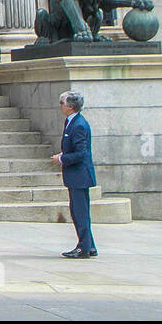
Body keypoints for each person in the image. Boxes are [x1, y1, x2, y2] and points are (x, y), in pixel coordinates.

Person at [52, 90, 97, 259]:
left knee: (80, 212)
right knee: (78, 211)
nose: (60, 106)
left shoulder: (78, 125)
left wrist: (62, 158)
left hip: (80, 176)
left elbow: (82, 153)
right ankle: (89, 244)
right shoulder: (71, 121)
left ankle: (83, 248)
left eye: (62, 103)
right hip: (76, 176)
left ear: (70, 107)